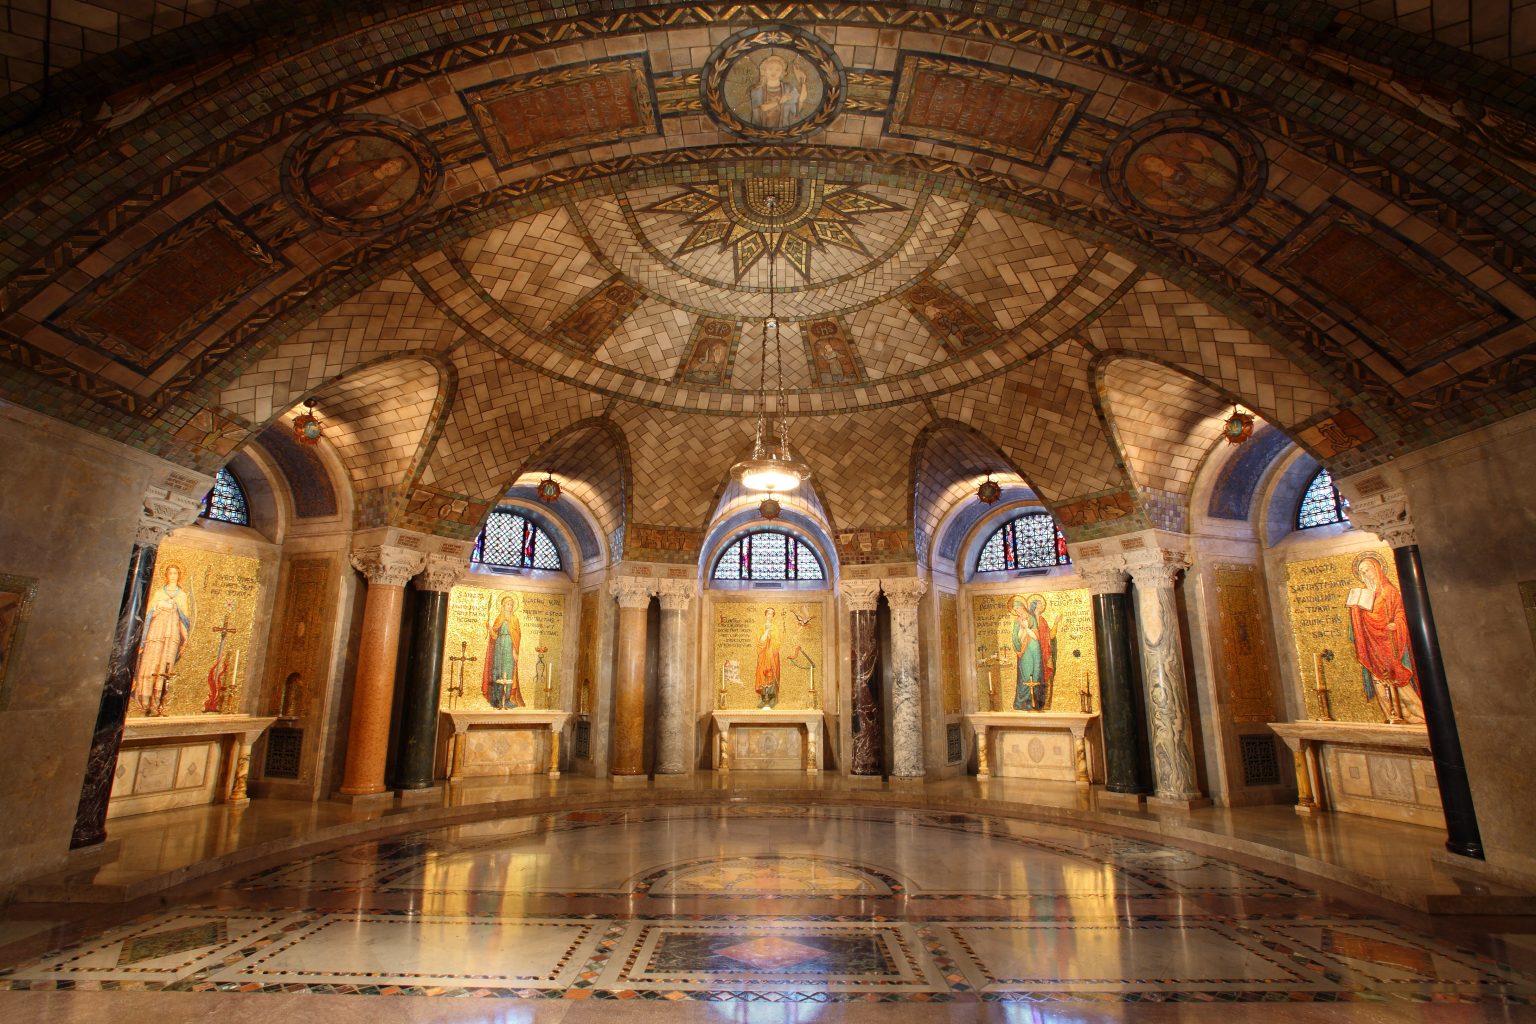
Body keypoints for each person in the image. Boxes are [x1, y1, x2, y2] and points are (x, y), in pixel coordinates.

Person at [1346, 553, 1425, 724]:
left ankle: (1416, 714)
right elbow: (1361, 622)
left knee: (1399, 678)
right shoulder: (1364, 594)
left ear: (1377, 569)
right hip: (1372, 645)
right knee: (1380, 681)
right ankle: (1391, 714)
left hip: (1389, 643)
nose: (1365, 573)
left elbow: (1401, 613)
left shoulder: (1390, 591)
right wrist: (1355, 609)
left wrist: (1396, 624)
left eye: (1368, 569)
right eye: (1362, 571)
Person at [133, 563, 194, 716]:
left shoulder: (182, 595)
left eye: (175, 573)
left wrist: (185, 638)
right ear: (166, 575)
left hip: (172, 632)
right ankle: (144, 700)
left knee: (165, 666)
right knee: (150, 662)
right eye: (170, 573)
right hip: (156, 631)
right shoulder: (159, 593)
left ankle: (158, 701)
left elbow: (184, 619)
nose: (172, 575)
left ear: (179, 575)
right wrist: (158, 608)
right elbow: (148, 615)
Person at [1011, 594, 1054, 711]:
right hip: (1024, 653)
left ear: (1023, 608)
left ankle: (1035, 702)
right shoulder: (1017, 621)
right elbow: (1015, 638)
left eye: (1018, 609)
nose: (1017, 612)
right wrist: (1021, 631)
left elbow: (1035, 636)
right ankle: (1023, 703)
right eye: (1015, 610)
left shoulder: (1032, 618)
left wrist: (1026, 628)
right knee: (1025, 674)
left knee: (1035, 673)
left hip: (1034, 650)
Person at [482, 595, 524, 709]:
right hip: (499, 646)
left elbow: (517, 636)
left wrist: (515, 651)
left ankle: (506, 699)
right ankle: (496, 698)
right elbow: (494, 636)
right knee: (497, 670)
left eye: (511, 604)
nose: (509, 606)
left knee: (508, 670)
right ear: (503, 605)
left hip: (509, 646)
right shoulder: (499, 618)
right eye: (507, 604)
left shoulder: (514, 619)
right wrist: (490, 628)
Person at [749, 54, 804, 128]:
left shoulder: (788, 88)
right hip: (760, 131)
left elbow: (795, 110)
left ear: (782, 72)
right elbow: (761, 108)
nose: (773, 72)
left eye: (778, 69)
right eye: (770, 68)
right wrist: (780, 101)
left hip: (783, 130)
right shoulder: (757, 90)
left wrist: (803, 83)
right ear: (764, 71)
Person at [755, 607, 781, 709]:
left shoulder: (776, 628)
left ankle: (772, 698)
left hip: (772, 656)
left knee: (771, 674)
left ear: (773, 616)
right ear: (765, 615)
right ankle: (763, 699)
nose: (770, 615)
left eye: (772, 614)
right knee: (762, 674)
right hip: (763, 655)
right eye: (768, 613)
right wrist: (766, 632)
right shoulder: (761, 628)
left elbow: (778, 643)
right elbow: (760, 641)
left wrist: (772, 642)